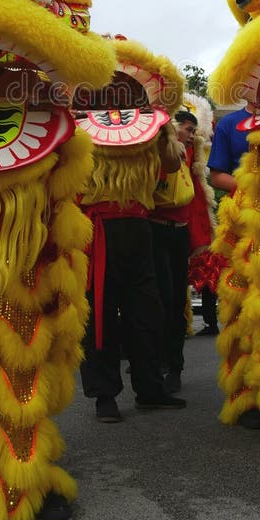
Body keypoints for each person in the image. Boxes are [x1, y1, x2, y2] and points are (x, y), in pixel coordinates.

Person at [74, 37, 188, 422]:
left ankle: (149, 387)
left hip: (140, 224)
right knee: (100, 314)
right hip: (98, 228)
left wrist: (164, 128)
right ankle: (104, 395)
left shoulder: (152, 126)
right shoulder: (76, 127)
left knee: (147, 312)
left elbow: (172, 167)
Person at [149, 109, 197, 393]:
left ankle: (174, 365)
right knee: (159, 299)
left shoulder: (192, 156)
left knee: (177, 299)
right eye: (188, 130)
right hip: (154, 230)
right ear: (173, 127)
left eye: (194, 132)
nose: (191, 136)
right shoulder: (155, 151)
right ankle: (157, 360)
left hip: (180, 232)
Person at [197, 106, 251, 335]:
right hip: (243, 214)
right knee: (242, 286)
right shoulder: (229, 123)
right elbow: (217, 175)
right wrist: (252, 187)